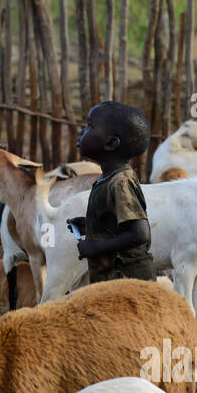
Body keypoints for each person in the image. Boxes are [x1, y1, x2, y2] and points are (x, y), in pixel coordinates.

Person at [69, 101, 156, 282]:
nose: (81, 132)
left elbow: (139, 233)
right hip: (113, 280)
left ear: (110, 143)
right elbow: (120, 226)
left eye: (89, 126)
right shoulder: (108, 178)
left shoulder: (119, 183)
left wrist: (94, 248)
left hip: (128, 281)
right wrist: (91, 226)